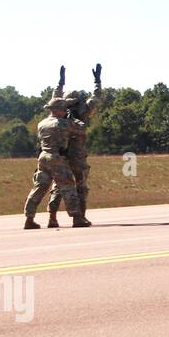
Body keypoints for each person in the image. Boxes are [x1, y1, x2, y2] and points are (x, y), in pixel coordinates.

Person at [47, 63, 104, 227]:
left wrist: (60, 82)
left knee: (58, 185)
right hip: (77, 153)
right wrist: (97, 81)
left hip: (61, 153)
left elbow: (55, 98)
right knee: (81, 185)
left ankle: (52, 218)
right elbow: (96, 97)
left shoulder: (60, 111)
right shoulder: (83, 111)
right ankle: (80, 217)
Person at [23, 93, 89, 230]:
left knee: (39, 188)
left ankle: (29, 218)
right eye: (64, 109)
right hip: (57, 158)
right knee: (68, 187)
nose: (65, 111)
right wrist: (72, 118)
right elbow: (82, 129)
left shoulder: (42, 124)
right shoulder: (63, 123)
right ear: (59, 110)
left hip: (43, 157)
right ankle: (77, 218)